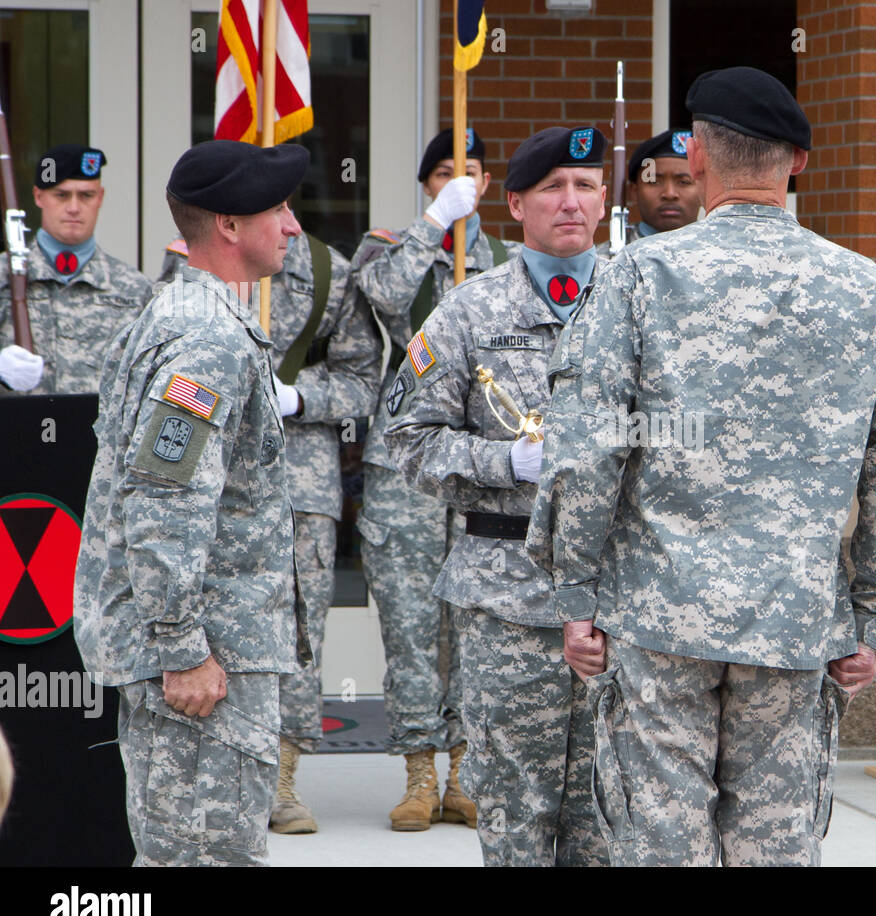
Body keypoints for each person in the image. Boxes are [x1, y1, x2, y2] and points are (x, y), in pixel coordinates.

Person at [526, 66, 876, 867]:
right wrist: (874, 613)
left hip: (658, 621)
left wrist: (575, 593)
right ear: (797, 163)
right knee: (776, 848)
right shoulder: (868, 289)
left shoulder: (637, 279)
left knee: (659, 846)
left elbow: (588, 446)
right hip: (796, 623)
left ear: (698, 156)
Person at [73, 139, 310, 865]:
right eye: (277, 209)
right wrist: (183, 649)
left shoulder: (179, 314)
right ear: (230, 227)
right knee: (206, 857)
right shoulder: (205, 337)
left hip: (205, 652)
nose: (294, 226)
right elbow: (163, 500)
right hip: (208, 666)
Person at [383, 125, 611, 866]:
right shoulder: (469, 310)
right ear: (514, 203)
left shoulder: (642, 304)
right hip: (510, 599)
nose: (571, 201)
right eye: (552, 187)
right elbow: (405, 438)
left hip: (623, 597)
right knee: (515, 815)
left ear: (606, 198)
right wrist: (505, 460)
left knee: (611, 817)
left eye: (585, 184)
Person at [159, 190, 381, 839]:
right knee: (220, 620)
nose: (283, 222)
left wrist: (302, 397)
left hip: (299, 477)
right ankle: (227, 762)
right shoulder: (186, 270)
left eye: (288, 205)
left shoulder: (327, 270)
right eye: (268, 207)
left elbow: (364, 379)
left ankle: (283, 774)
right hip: (217, 474)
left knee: (300, 628)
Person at [351, 127, 517, 831]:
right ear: (427, 184)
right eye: (444, 172)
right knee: (412, 622)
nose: (459, 180)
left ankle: (468, 769)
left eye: (471, 172)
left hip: (487, 460)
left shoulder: (510, 261)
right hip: (408, 462)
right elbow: (387, 301)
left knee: (475, 622)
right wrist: (434, 224)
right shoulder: (391, 248)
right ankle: (419, 770)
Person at [0, 145, 152, 394]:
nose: (73, 207)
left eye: (86, 196)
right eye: (61, 195)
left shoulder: (134, 288)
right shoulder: (5, 275)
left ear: (100, 197)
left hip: (93, 432)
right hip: (17, 430)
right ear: (38, 196)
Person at [596, 129, 701, 257]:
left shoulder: (720, 253)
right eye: (654, 182)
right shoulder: (607, 259)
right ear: (634, 191)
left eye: (683, 182)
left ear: (703, 190)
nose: (669, 194)